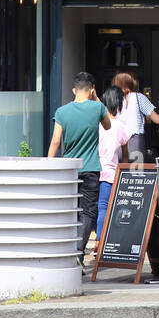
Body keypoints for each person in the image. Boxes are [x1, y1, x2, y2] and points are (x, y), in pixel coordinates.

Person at [48, 72, 112, 262]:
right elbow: (108, 125)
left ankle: (68, 251)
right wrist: (97, 99)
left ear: (74, 90)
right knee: (88, 212)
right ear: (91, 89)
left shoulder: (62, 112)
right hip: (91, 168)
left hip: (69, 169)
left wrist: (49, 166)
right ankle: (78, 252)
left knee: (71, 210)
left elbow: (56, 141)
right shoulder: (98, 107)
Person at [95, 85, 130, 243]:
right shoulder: (121, 127)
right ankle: (101, 241)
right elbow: (125, 154)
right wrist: (123, 172)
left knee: (92, 208)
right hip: (110, 173)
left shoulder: (95, 123)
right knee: (104, 207)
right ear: (118, 105)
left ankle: (95, 241)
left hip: (92, 169)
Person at [113, 72, 159, 162]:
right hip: (135, 143)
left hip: (116, 142)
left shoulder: (113, 99)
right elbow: (157, 119)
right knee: (137, 173)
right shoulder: (139, 98)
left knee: (118, 173)